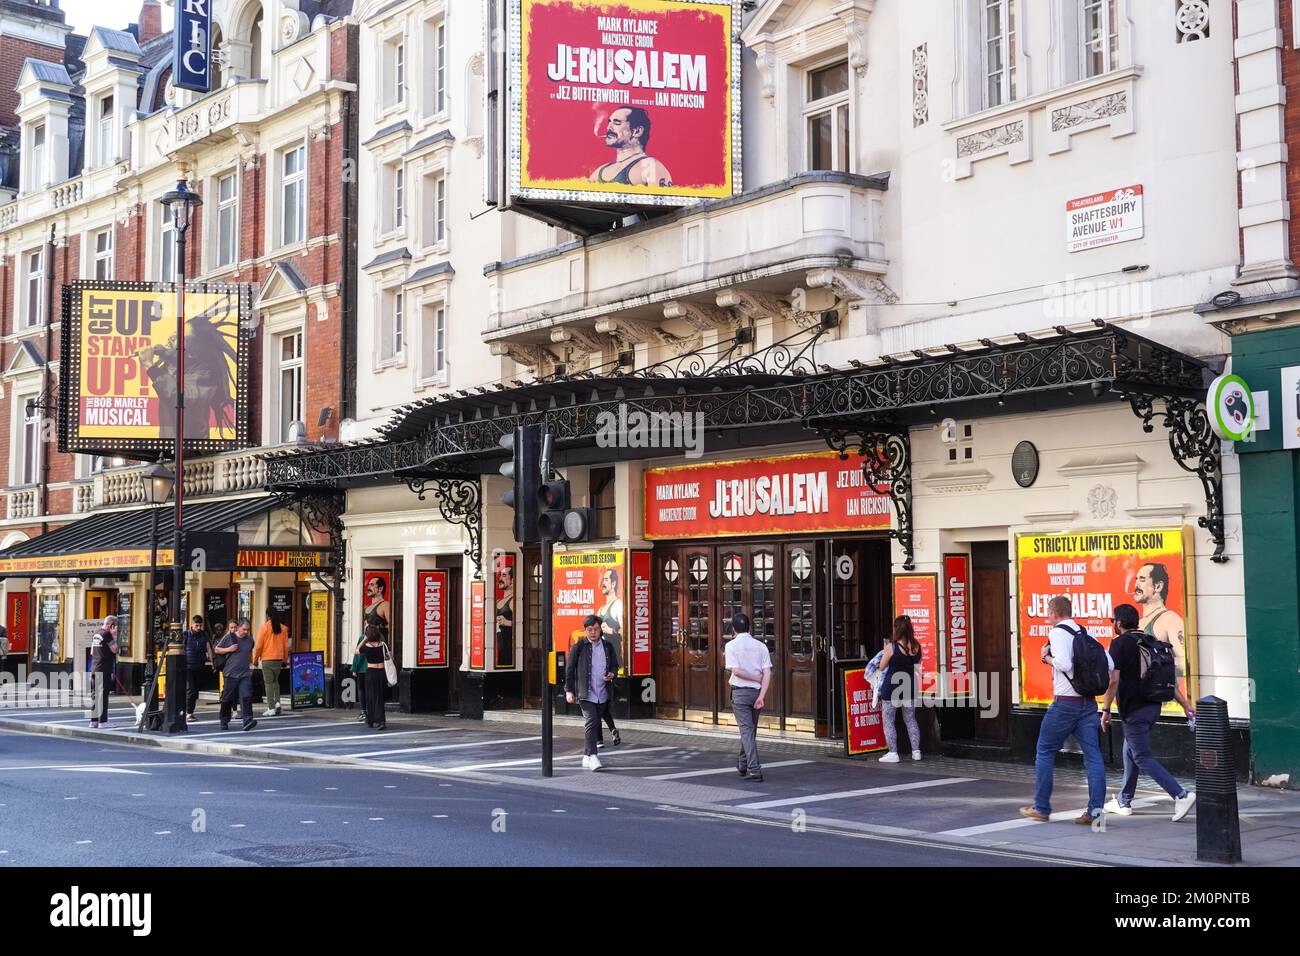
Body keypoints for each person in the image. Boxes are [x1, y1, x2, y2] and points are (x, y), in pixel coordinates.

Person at [1020, 596, 1112, 825]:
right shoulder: (1084, 632)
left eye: (1047, 611)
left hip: (1064, 704)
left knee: (1044, 750)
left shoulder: (1057, 633)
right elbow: (1109, 664)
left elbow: (1064, 664)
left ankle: (1041, 808)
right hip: (1088, 703)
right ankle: (1095, 814)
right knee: (1093, 758)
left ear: (1053, 612)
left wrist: (1046, 658)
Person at [1101, 603, 1198, 822]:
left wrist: (1105, 709)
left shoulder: (1119, 644)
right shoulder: (1150, 641)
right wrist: (1185, 704)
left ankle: (1180, 795)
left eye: (1112, 621)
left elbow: (1113, 679)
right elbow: (1167, 680)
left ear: (1118, 623)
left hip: (1134, 710)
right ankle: (1124, 801)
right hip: (1153, 707)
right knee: (1130, 751)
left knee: (1142, 756)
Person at [565, 614, 620, 771]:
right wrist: (569, 690)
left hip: (602, 692)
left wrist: (612, 674)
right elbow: (569, 669)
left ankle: (586, 755)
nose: (593, 633)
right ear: (585, 630)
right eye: (589, 630)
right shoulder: (579, 646)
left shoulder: (607, 646)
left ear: (600, 629)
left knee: (594, 722)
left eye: (595, 629)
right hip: (585, 693)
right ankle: (594, 756)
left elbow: (615, 665)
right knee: (592, 721)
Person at [724, 611, 772, 783]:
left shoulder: (730, 646)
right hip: (756, 693)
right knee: (750, 731)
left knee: (747, 731)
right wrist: (762, 695)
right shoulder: (761, 646)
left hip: (740, 693)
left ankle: (754, 769)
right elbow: (767, 673)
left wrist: (753, 677)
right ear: (749, 627)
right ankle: (743, 764)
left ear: (734, 629)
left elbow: (735, 670)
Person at [877, 615, 923, 763]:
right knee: (910, 719)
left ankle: (893, 753)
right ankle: (916, 752)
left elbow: (882, 666)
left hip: (892, 688)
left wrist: (885, 651)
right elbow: (916, 664)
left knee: (888, 720)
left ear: (897, 629)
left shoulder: (891, 647)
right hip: (909, 687)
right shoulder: (916, 646)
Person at [588, 107, 673, 186]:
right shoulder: (599, 172)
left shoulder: (650, 167)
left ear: (637, 131)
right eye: (609, 122)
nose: (608, 127)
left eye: (617, 123)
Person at [1133, 562, 1187, 685]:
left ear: (1158, 586)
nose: (1136, 585)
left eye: (1142, 580)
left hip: (1163, 699)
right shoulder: (1139, 622)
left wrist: (1154, 662)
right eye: (1136, 579)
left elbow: (1186, 662)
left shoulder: (1169, 619)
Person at [213, 618, 257, 732]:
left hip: (244, 674)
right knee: (227, 699)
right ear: (238, 628)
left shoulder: (250, 640)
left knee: (246, 696)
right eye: (244, 629)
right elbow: (216, 650)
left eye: (248, 630)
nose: (246, 632)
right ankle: (224, 720)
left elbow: (248, 651)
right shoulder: (230, 637)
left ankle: (247, 720)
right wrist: (229, 649)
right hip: (230, 674)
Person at [252, 610, 289, 717]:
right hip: (278, 658)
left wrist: (255, 659)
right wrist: (285, 660)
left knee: (268, 683)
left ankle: (271, 707)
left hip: (267, 659)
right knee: (275, 682)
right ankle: (277, 702)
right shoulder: (284, 628)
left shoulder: (265, 627)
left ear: (268, 616)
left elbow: (259, 645)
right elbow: (286, 646)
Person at [89, 615, 119, 729]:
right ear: (111, 625)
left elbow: (92, 652)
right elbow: (115, 649)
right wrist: (114, 636)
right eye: (115, 626)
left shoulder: (96, 633)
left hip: (94, 667)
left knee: (95, 696)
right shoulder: (107, 635)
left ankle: (94, 721)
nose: (116, 629)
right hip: (104, 669)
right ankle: (103, 721)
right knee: (103, 696)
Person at [360, 620, 389, 730]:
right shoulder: (383, 645)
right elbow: (390, 657)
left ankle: (371, 720)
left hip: (370, 673)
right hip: (381, 672)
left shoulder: (366, 646)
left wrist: (364, 639)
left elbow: (357, 651)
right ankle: (381, 720)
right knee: (380, 697)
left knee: (370, 696)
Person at [183, 615, 210, 721]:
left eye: (200, 625)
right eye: (196, 625)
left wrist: (213, 663)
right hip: (187, 666)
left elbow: (209, 648)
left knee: (194, 691)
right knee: (191, 690)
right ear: (192, 624)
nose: (198, 627)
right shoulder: (186, 635)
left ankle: (189, 711)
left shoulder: (204, 634)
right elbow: (181, 649)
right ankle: (188, 713)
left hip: (199, 666)